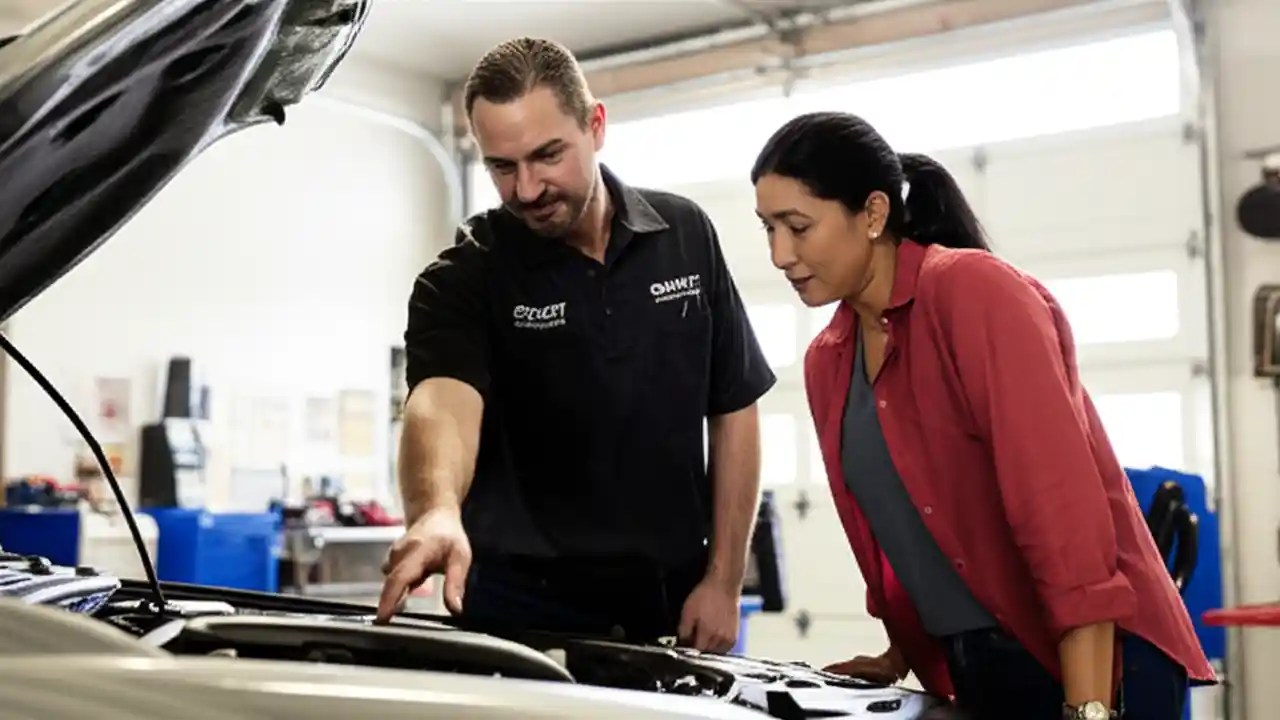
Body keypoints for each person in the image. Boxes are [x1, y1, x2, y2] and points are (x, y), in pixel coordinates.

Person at [750, 110, 1215, 720]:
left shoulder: (973, 293)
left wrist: (1089, 709)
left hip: (1096, 663)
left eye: (798, 227)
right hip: (979, 663)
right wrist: (900, 651)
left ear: (872, 214)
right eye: (768, 229)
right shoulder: (827, 361)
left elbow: (1064, 521)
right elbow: (913, 521)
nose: (781, 254)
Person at [376, 37, 776, 653]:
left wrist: (723, 579)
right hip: (522, 613)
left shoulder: (685, 235)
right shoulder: (466, 275)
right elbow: (442, 401)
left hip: (669, 604)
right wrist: (435, 511)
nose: (528, 188)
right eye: (502, 167)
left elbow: (733, 408)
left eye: (547, 155)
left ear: (596, 125)